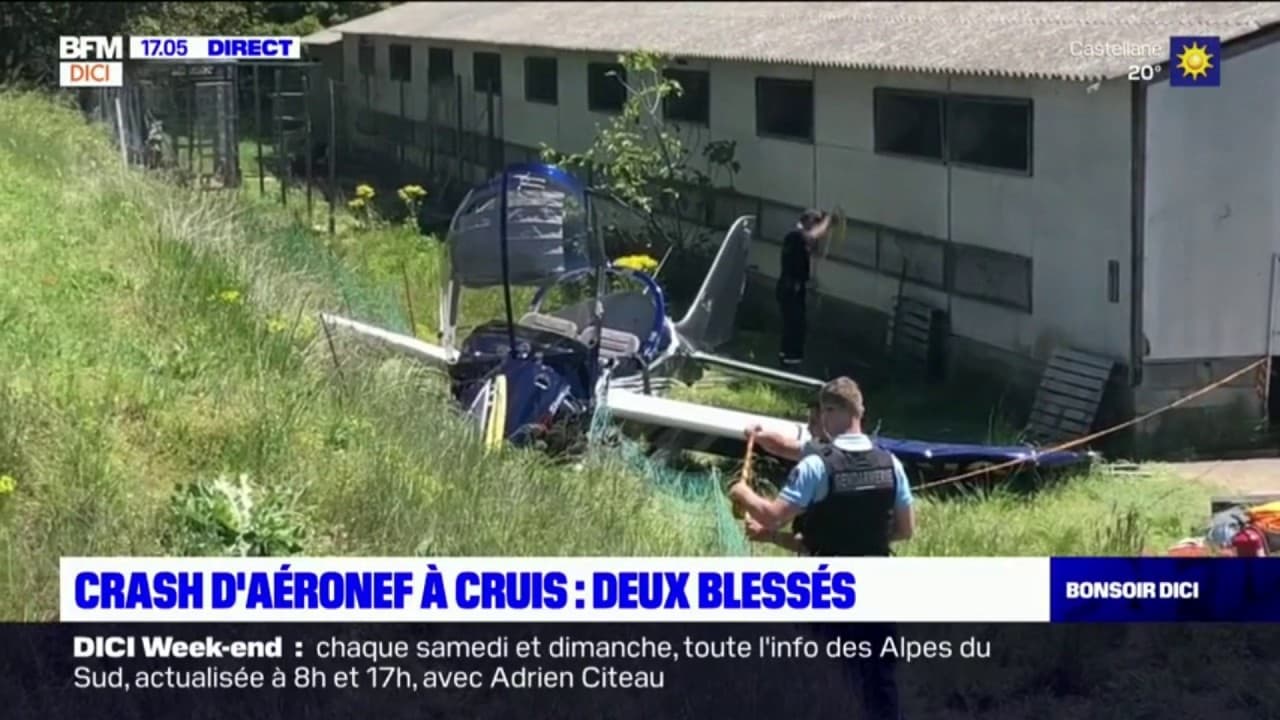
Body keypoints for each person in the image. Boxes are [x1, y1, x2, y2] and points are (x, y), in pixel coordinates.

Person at [729, 377, 914, 720]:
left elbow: (772, 516)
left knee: (827, 677)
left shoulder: (818, 466)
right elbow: (905, 530)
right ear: (861, 411)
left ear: (829, 412)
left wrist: (743, 493)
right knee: (879, 681)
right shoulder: (892, 464)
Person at [776, 209, 832, 368]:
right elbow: (811, 236)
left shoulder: (799, 239)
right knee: (795, 324)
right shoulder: (795, 234)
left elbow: (814, 246)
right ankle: (791, 360)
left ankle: (787, 357)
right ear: (808, 221)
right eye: (815, 222)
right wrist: (827, 221)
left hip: (795, 288)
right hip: (790, 287)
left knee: (794, 324)